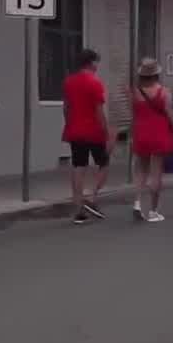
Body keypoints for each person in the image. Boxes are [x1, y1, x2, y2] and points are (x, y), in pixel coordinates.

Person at [130, 58, 173, 222]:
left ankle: (137, 202)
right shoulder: (163, 92)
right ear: (156, 74)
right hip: (159, 134)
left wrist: (132, 134)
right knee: (156, 173)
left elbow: (134, 114)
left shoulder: (135, 91)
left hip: (141, 133)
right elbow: (171, 116)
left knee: (140, 170)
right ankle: (153, 211)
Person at [63, 49, 113, 223]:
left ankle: (78, 210)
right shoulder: (95, 83)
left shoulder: (69, 81)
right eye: (97, 62)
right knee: (104, 163)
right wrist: (106, 131)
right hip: (93, 131)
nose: (98, 66)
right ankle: (91, 198)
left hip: (74, 130)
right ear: (91, 63)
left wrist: (69, 123)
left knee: (78, 166)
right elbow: (99, 111)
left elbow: (66, 107)